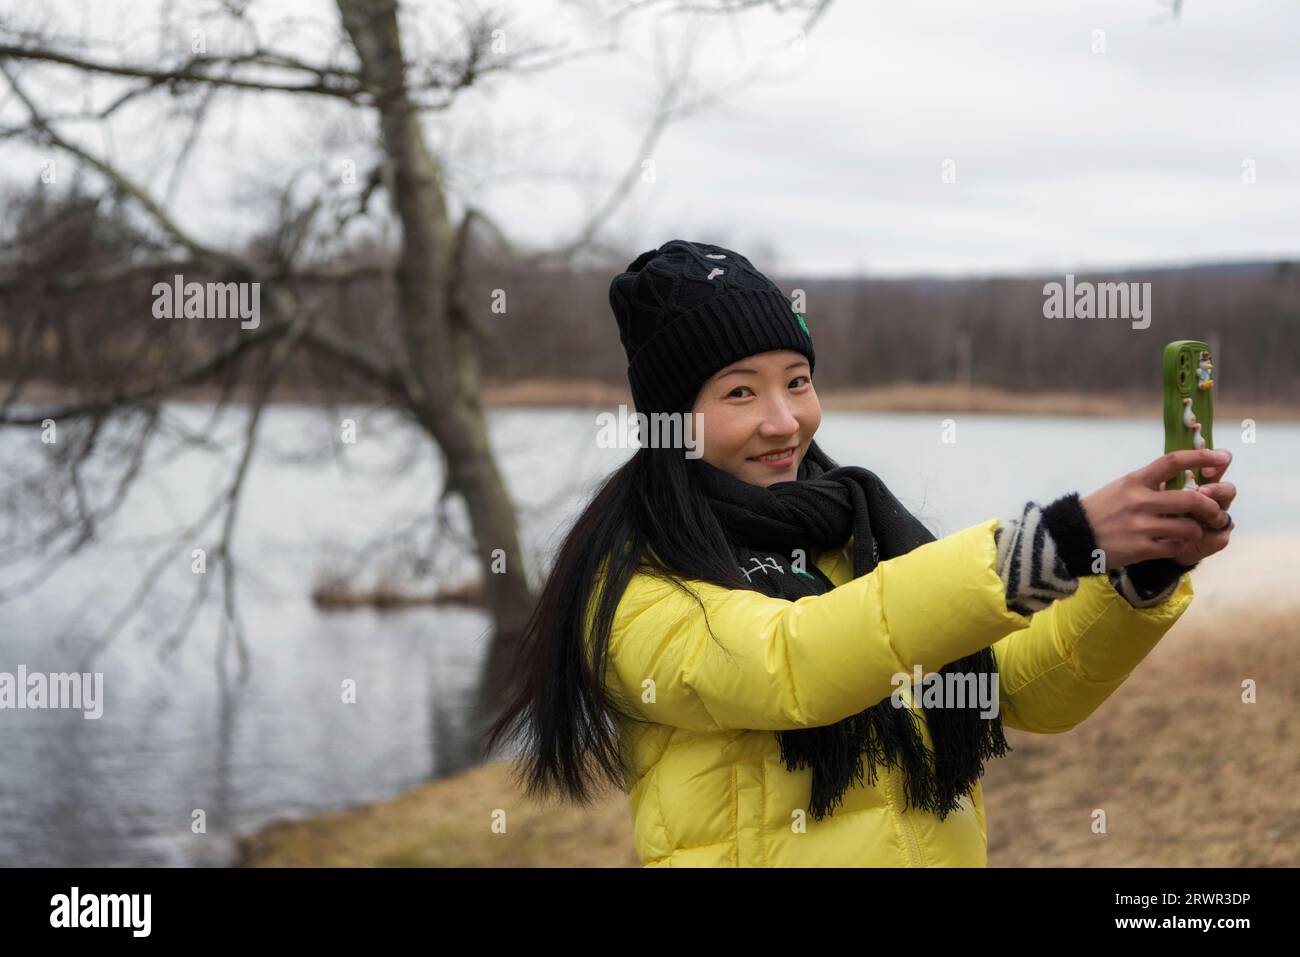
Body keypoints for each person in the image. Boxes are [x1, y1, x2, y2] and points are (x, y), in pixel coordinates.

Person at [483, 238, 1237, 867]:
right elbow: (793, 663)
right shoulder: (632, 582)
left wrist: (1139, 575)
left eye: (798, 381)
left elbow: (1014, 689)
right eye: (739, 393)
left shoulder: (856, 533)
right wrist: (1058, 541)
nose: (784, 420)